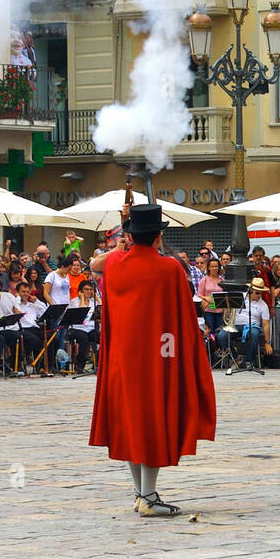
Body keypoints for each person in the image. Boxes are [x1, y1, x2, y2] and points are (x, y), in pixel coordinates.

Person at [90, 204, 216, 517]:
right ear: (159, 237)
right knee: (154, 423)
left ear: (131, 235)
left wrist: (122, 244)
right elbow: (183, 317)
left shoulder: (115, 264)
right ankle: (148, 495)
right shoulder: (170, 268)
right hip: (160, 355)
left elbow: (95, 263)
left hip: (122, 358)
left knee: (130, 424)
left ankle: (140, 493)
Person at [217, 277, 274, 368]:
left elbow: (266, 324)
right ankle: (236, 358)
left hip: (252, 326)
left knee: (254, 334)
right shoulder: (240, 297)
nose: (259, 295)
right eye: (257, 293)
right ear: (251, 290)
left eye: (261, 293)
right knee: (221, 336)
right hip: (235, 325)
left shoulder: (263, 305)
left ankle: (249, 361)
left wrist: (267, 342)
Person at [64, 279, 99, 373]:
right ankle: (80, 365)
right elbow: (81, 313)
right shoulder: (74, 302)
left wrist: (97, 298)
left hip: (90, 328)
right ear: (81, 291)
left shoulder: (93, 302)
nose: (89, 291)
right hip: (76, 329)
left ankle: (99, 364)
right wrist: (82, 299)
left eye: (91, 289)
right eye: (86, 289)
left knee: (101, 337)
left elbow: (101, 310)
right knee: (84, 339)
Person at [197, 258, 226, 336]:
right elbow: (199, 294)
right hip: (208, 310)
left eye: (216, 266)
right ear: (209, 268)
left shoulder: (222, 280)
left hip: (220, 311)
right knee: (210, 331)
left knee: (219, 332)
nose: (214, 268)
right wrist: (206, 298)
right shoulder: (204, 280)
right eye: (212, 266)